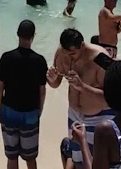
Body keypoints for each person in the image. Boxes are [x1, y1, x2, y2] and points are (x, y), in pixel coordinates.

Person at [48, 29, 115, 169]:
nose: (69, 58)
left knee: (97, 162)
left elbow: (111, 98)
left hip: (99, 115)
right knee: (77, 158)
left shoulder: (101, 58)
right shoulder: (61, 54)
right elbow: (55, 83)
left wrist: (82, 87)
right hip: (74, 114)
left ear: (82, 46)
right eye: (66, 54)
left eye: (73, 54)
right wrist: (52, 80)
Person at [0, 20, 49, 169]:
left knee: (12, 156)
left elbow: (0, 87)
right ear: (33, 36)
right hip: (30, 112)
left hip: (9, 111)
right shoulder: (39, 61)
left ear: (18, 35)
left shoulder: (6, 57)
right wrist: (40, 110)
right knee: (30, 158)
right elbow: (42, 90)